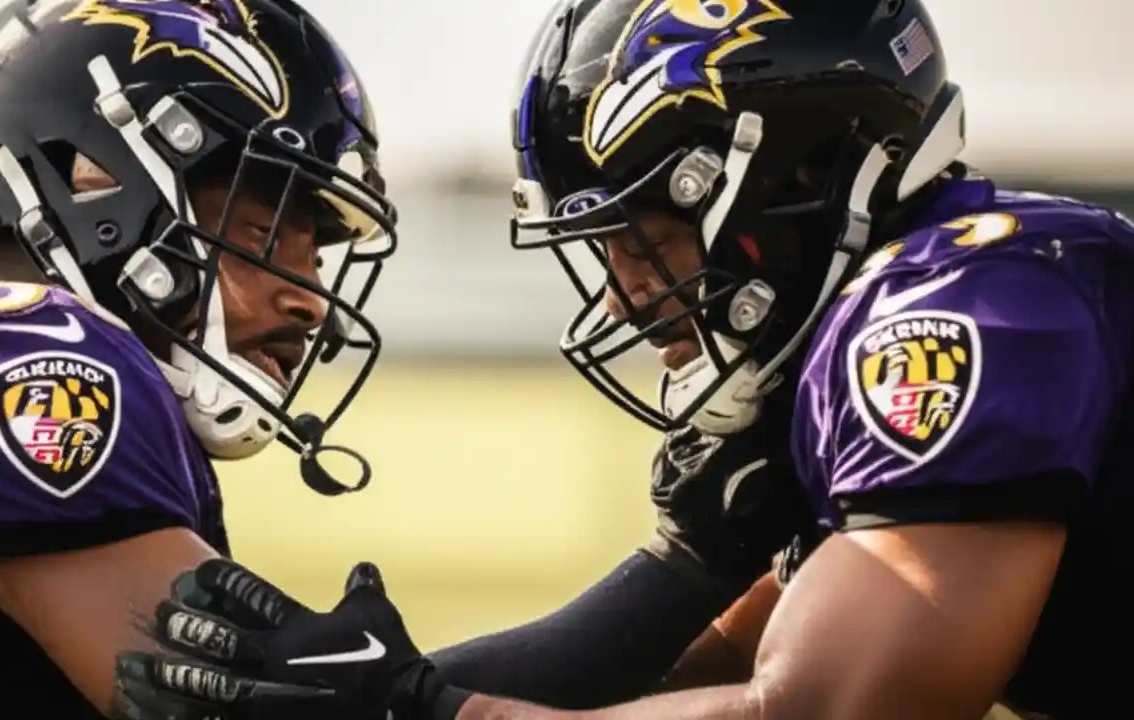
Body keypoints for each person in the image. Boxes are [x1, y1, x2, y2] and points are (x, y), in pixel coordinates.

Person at [113, 1, 1134, 719]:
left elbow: (839, 707)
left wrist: (438, 711)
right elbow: (710, 660)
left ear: (790, 179)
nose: (622, 293)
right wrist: (364, 698)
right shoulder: (891, 309)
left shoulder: (959, 305)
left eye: (638, 238)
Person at [0, 0, 398, 717]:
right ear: (94, 178)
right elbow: (229, 705)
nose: (312, 302)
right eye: (269, 232)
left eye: (316, 257)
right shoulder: (12, 349)